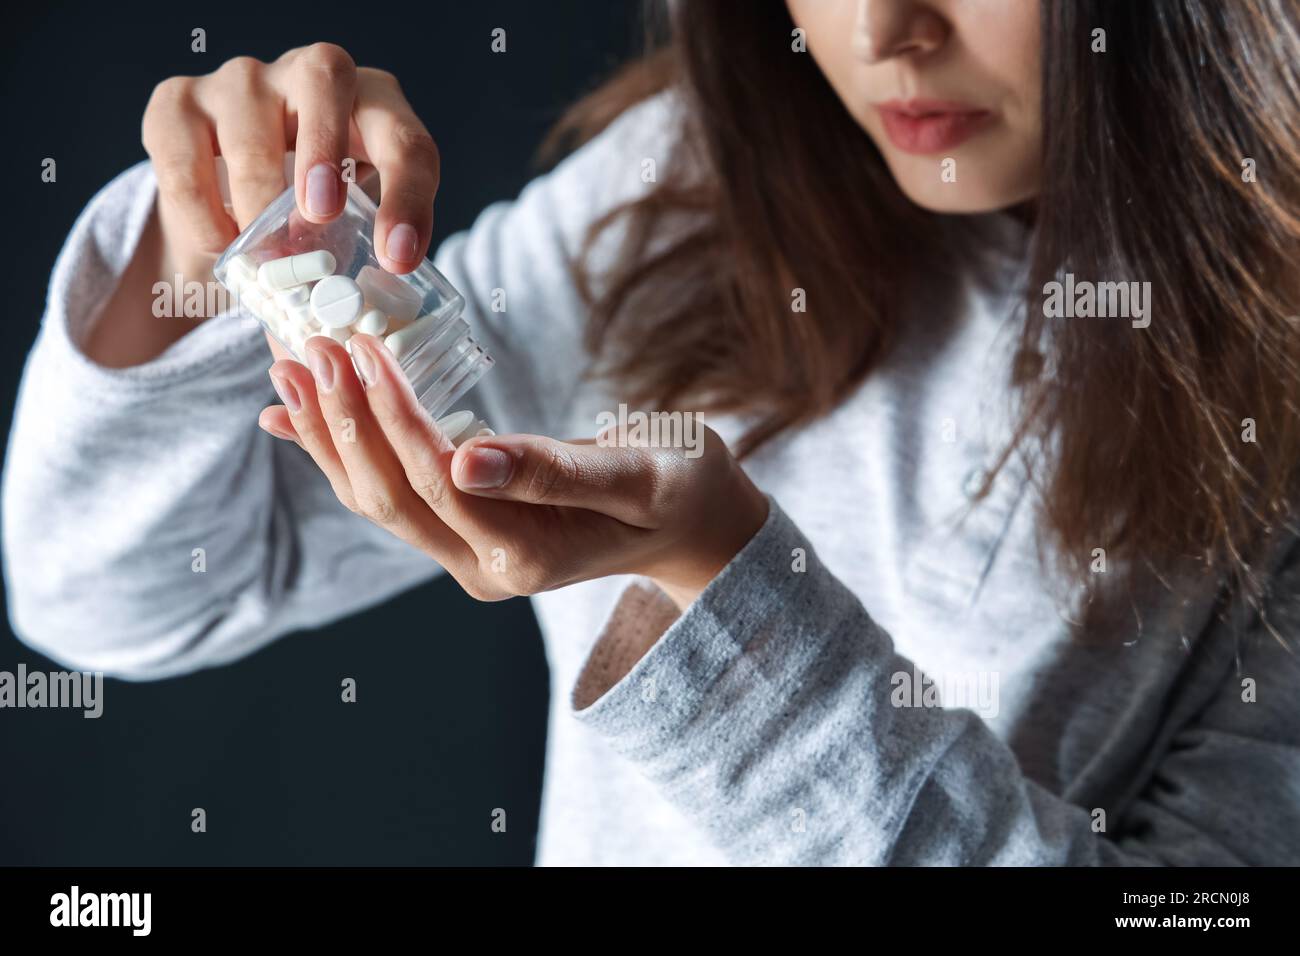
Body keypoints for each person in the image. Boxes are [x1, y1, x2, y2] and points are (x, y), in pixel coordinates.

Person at [4, 0, 1299, 866]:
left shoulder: (1271, 391)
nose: (885, 32)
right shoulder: (680, 190)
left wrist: (723, 585)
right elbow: (115, 600)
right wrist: (202, 247)